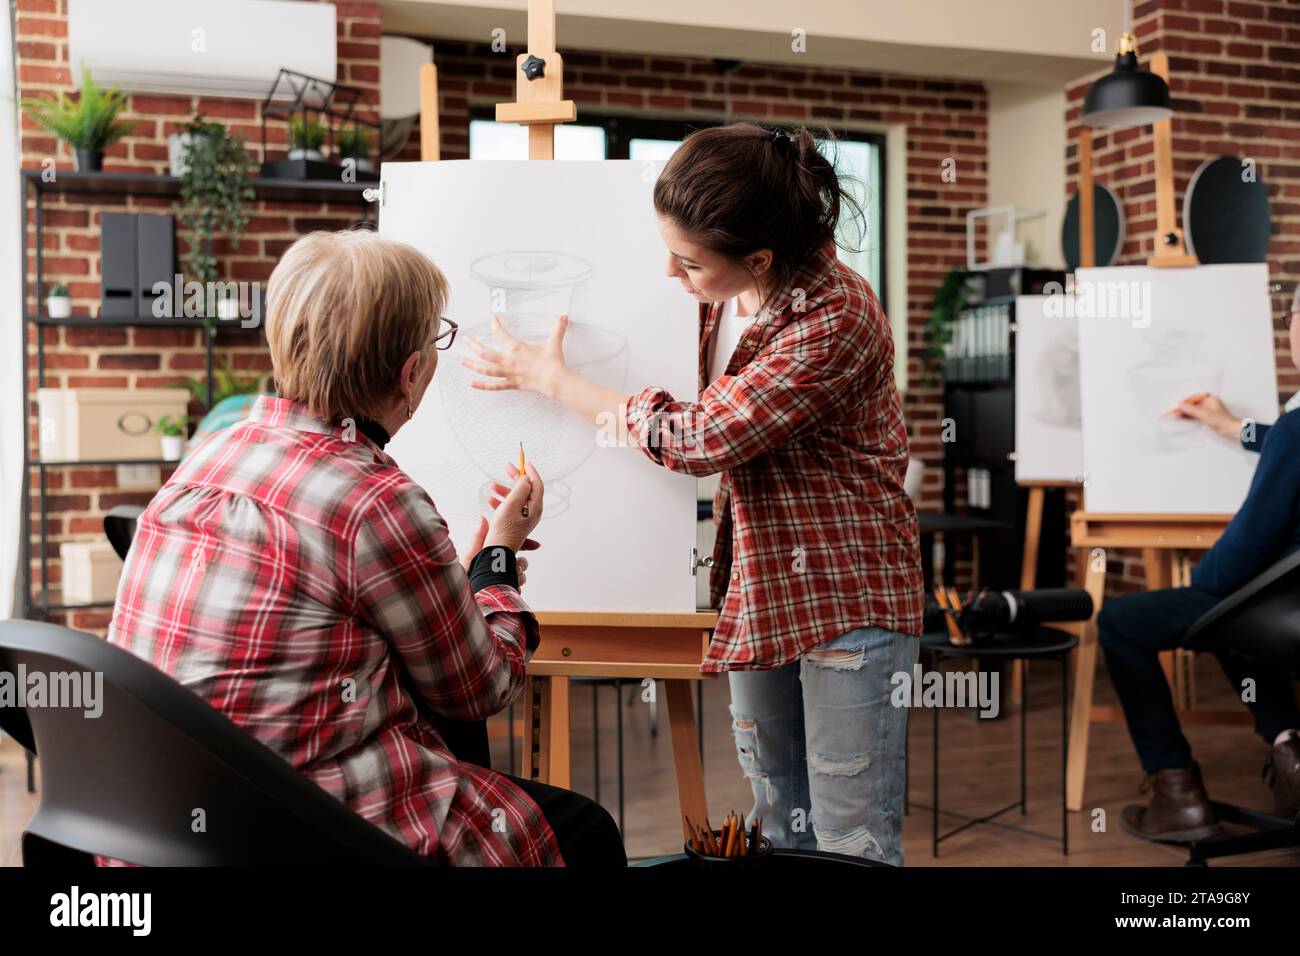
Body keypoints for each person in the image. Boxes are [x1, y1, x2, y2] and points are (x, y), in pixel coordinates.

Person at [460, 124, 923, 864]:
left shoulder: (836, 317)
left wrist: (550, 378)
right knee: (775, 821)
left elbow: (700, 439)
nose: (671, 275)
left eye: (688, 262)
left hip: (846, 594)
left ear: (759, 258)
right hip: (762, 589)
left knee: (850, 840)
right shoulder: (715, 298)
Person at [106, 230, 625, 867]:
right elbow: (479, 689)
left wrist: (445, 583)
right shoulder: (376, 500)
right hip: (290, 830)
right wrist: (497, 565)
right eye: (437, 343)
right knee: (587, 832)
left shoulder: (213, 451)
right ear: (410, 375)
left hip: (154, 830)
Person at [1099, 288, 1300, 842]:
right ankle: (1290, 750)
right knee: (1232, 621)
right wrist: (1234, 427)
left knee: (1124, 622)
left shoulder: (1296, 428)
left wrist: (1200, 575)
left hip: (1286, 610)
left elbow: (1229, 571)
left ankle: (1177, 794)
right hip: (1286, 605)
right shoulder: (1290, 432)